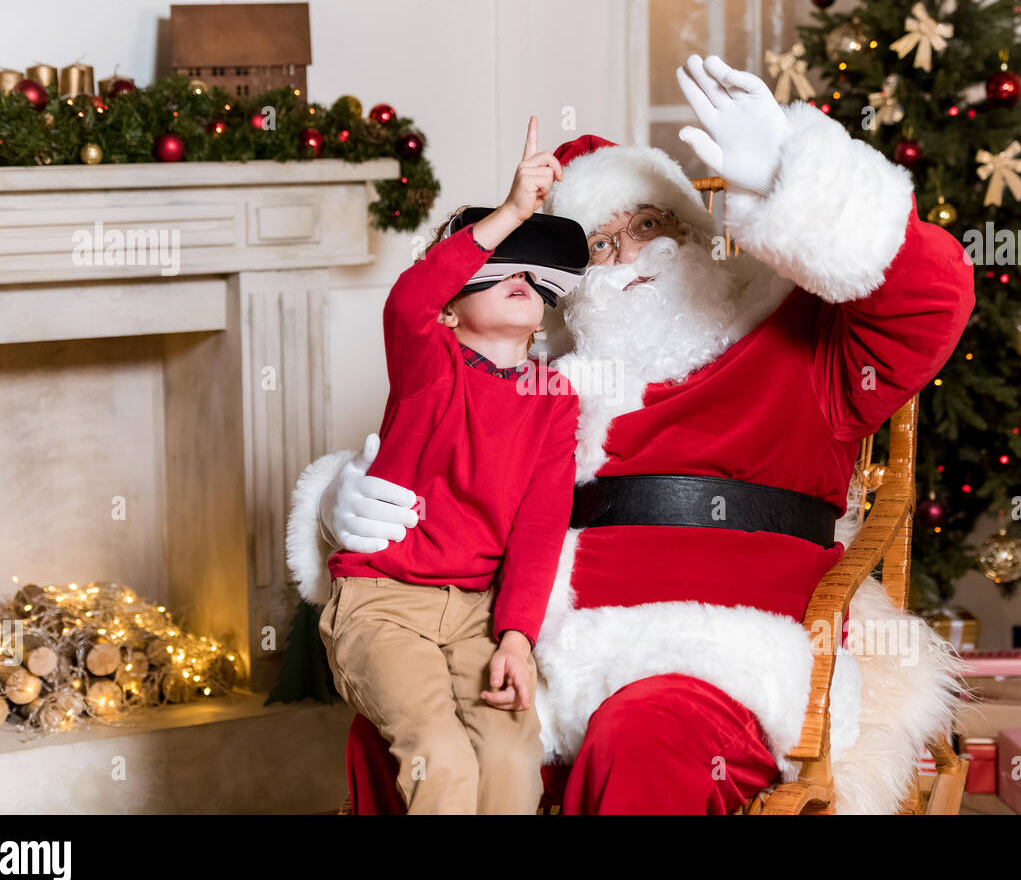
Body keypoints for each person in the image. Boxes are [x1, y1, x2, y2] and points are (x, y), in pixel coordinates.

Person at [290, 55, 975, 814]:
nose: (630, 257)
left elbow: (932, 299)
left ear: (700, 231)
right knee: (396, 739)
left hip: (711, 663)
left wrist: (799, 181)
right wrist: (341, 502)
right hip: (538, 653)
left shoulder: (796, 340)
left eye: (649, 226)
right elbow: (440, 453)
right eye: (601, 246)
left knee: (635, 736)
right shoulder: (543, 382)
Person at [309, 116, 581, 814]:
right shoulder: (432, 368)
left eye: (531, 272)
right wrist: (514, 209)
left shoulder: (553, 401)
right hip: (384, 607)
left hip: (477, 618)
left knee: (513, 758)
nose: (518, 276)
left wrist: (516, 640)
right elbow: (409, 300)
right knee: (444, 758)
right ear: (453, 313)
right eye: (498, 270)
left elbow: (539, 530)